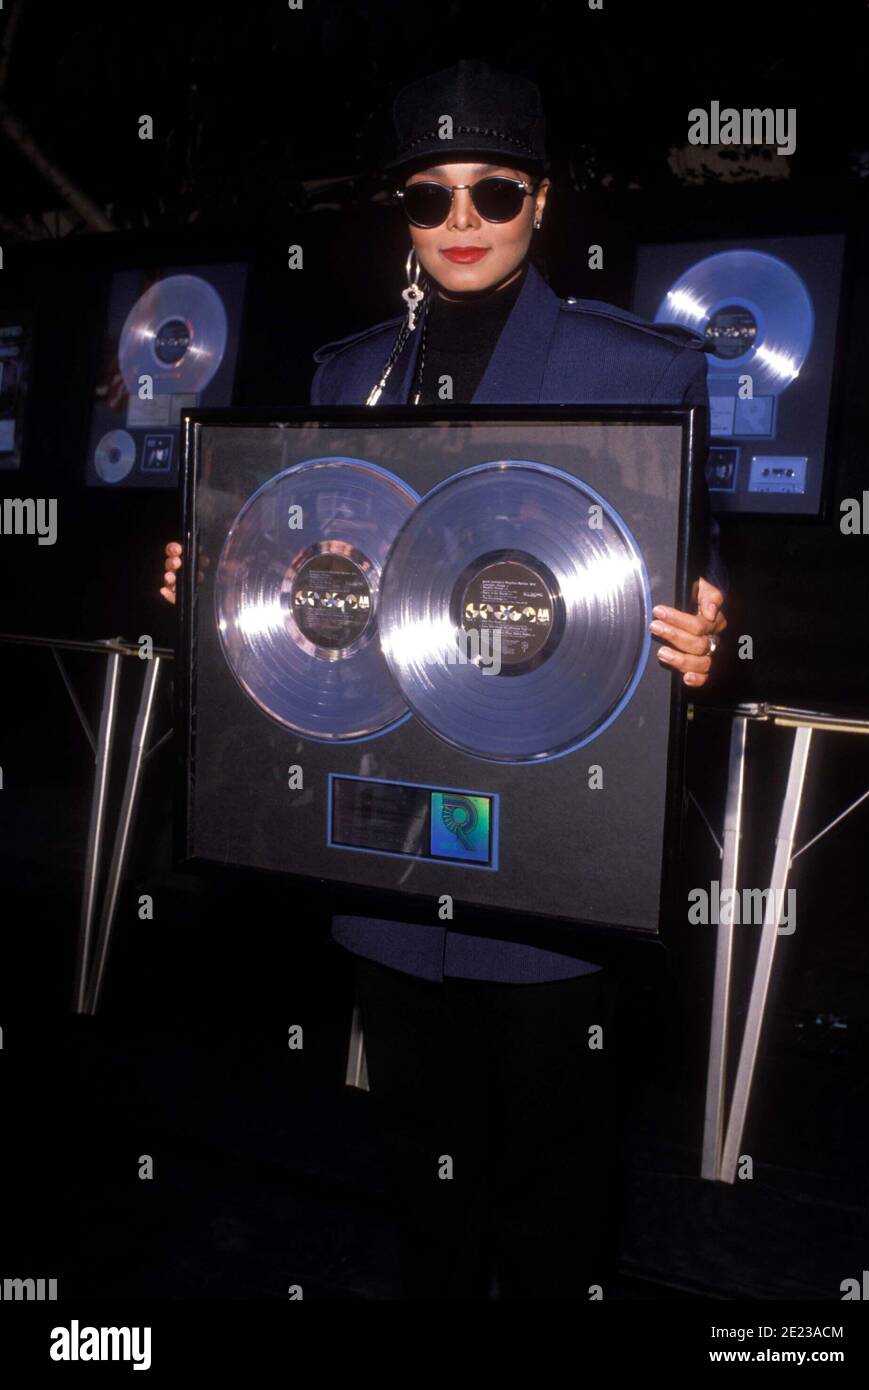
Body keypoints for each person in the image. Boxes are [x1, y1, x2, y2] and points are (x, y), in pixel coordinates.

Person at [162, 59, 728, 1299]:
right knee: (422, 1165)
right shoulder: (340, 375)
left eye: (494, 191)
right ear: (401, 210)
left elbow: (701, 591)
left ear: (544, 202)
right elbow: (316, 574)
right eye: (430, 195)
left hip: (558, 845)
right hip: (386, 841)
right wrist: (223, 569)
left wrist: (710, 640)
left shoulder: (639, 373)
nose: (463, 222)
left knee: (555, 1174)